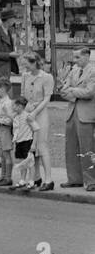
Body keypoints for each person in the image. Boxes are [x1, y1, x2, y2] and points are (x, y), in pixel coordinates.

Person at [18, 52, 55, 191]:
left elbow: (47, 98)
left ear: (34, 62)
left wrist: (35, 111)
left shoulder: (46, 77)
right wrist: (24, 110)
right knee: (31, 146)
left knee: (42, 145)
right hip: (28, 113)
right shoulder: (25, 76)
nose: (24, 66)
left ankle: (49, 179)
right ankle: (37, 177)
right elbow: (23, 95)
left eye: (26, 63)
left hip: (40, 114)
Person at [59, 47, 95, 189]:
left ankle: (91, 180)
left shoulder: (93, 71)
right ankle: (74, 178)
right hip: (72, 112)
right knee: (71, 147)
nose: (75, 60)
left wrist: (72, 91)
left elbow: (89, 92)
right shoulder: (73, 70)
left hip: (87, 114)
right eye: (74, 57)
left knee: (88, 148)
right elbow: (62, 90)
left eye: (78, 57)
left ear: (87, 56)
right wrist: (71, 93)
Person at [0, 8, 21, 83]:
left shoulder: (8, 31)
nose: (14, 21)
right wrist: (9, 55)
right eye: (13, 18)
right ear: (8, 19)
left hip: (6, 69)